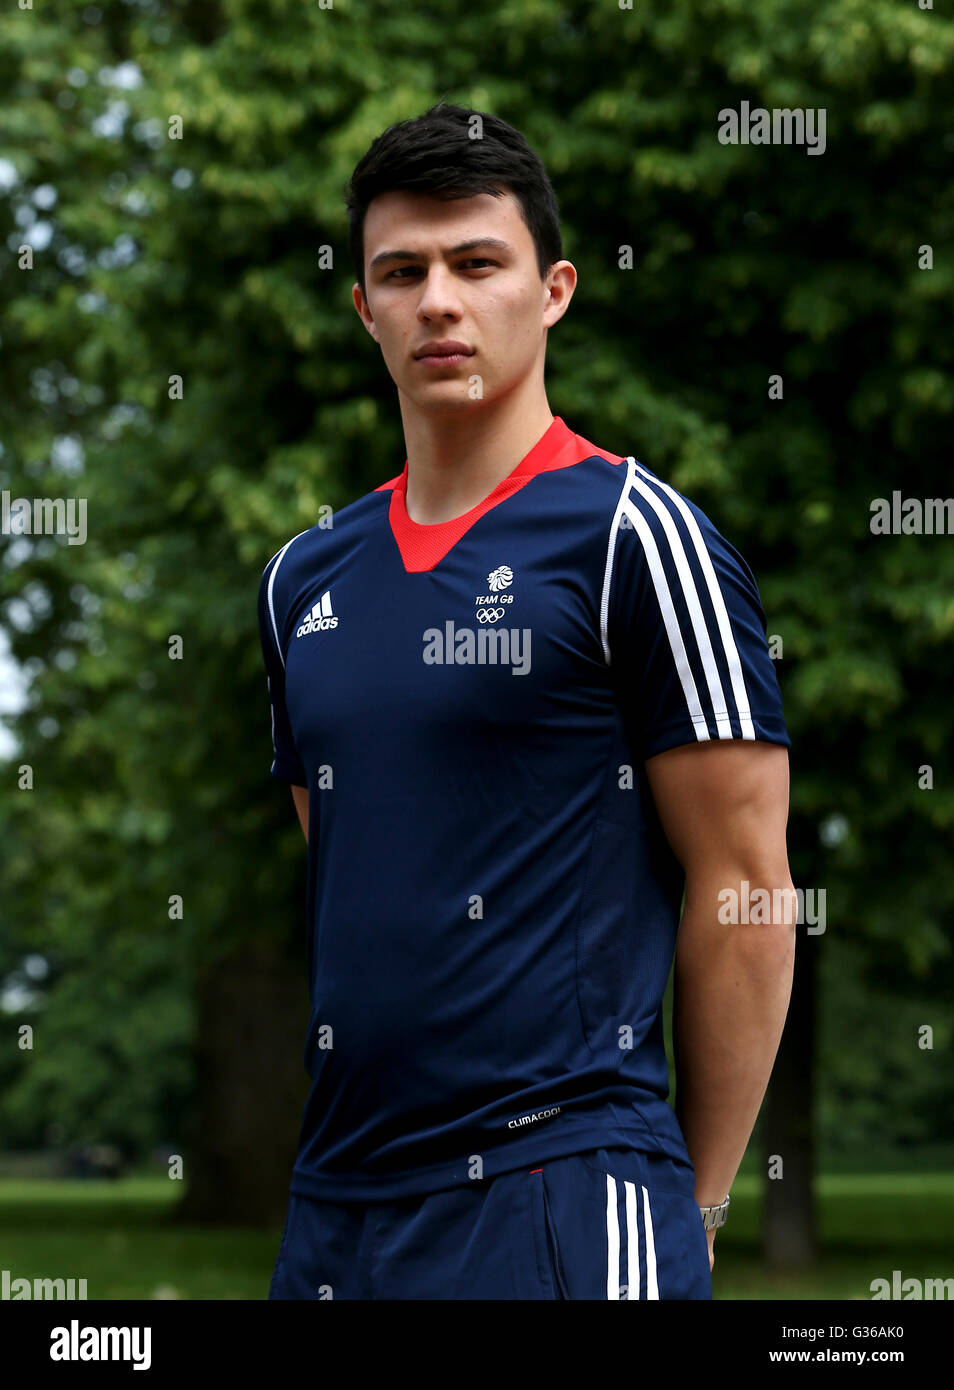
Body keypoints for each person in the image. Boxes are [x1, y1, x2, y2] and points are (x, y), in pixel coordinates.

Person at [257, 102, 796, 1300]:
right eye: (402, 271)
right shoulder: (303, 581)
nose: (438, 300)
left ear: (552, 289)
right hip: (337, 1209)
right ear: (364, 309)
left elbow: (749, 886)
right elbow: (358, 868)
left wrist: (690, 1201)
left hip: (563, 1187)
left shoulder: (636, 539)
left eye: (476, 263)